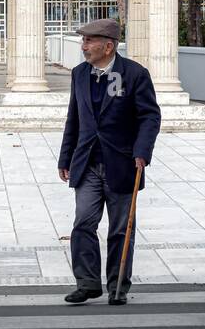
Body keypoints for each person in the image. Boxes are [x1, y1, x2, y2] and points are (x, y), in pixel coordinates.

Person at [57, 18, 161, 306]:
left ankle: (118, 287)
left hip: (124, 164)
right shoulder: (79, 74)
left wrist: (142, 151)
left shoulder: (135, 74)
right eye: (83, 40)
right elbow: (74, 118)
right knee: (83, 224)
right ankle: (87, 283)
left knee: (120, 230)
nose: (84, 46)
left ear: (108, 45)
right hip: (87, 163)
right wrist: (65, 158)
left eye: (89, 41)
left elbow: (150, 116)